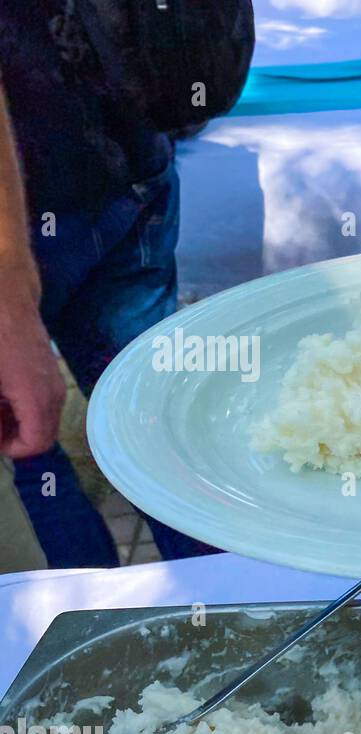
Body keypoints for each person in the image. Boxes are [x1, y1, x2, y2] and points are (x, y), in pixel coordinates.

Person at [0, 3, 218, 569]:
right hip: (123, 152)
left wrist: (6, 285)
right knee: (162, 424)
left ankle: (83, 637)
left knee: (32, 448)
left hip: (78, 175)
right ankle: (236, 614)